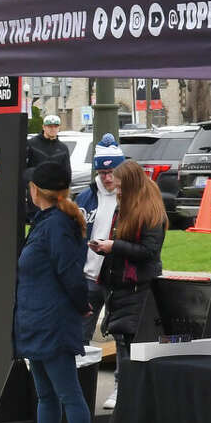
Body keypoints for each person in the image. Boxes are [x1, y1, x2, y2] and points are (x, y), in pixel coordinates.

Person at [15, 159, 96, 423]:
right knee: (45, 393)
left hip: (53, 320)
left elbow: (69, 273)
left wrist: (81, 305)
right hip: (36, 319)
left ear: (37, 191)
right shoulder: (45, 220)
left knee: (68, 393)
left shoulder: (58, 225)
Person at [91, 159, 168, 408]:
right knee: (122, 341)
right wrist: (107, 248)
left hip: (138, 289)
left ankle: (128, 396)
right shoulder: (127, 206)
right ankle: (126, 394)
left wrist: (114, 246)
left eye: (121, 187)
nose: (118, 191)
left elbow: (149, 250)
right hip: (122, 286)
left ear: (133, 185)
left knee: (130, 344)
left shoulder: (150, 210)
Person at [77, 136, 126, 348]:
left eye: (112, 172)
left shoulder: (130, 198)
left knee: (123, 338)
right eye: (103, 173)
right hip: (88, 277)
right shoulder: (85, 198)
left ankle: (122, 381)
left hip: (118, 279)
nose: (107, 178)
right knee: (79, 338)